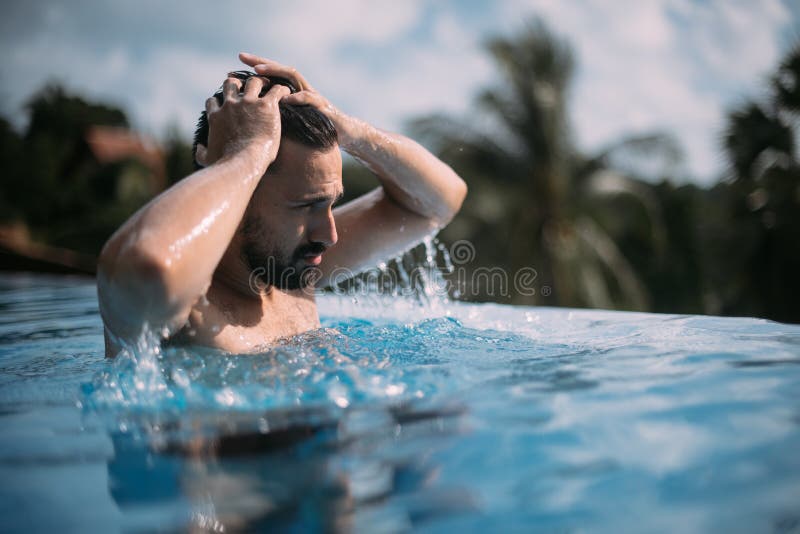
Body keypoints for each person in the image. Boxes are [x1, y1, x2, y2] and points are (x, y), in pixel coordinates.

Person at [97, 52, 467, 356]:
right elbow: (148, 267)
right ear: (239, 185)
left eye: (329, 204)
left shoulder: (290, 276)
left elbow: (437, 203)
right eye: (306, 206)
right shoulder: (185, 314)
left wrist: (351, 131)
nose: (330, 234)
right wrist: (248, 153)